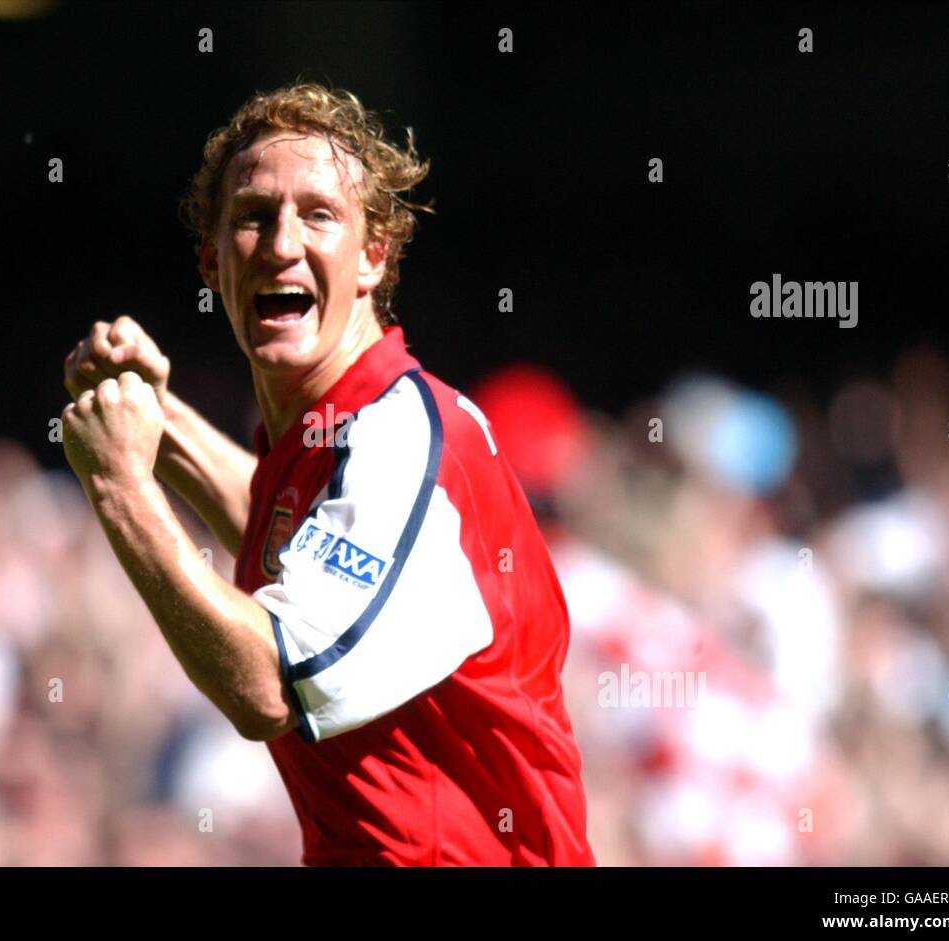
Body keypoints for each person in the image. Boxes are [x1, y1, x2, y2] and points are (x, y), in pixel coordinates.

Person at [60, 82, 594, 866]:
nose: (281, 243)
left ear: (374, 255)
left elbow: (266, 684)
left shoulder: (405, 439)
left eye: (318, 214)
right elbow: (300, 548)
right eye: (252, 217)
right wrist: (158, 417)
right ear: (212, 262)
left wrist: (120, 486)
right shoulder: (331, 433)